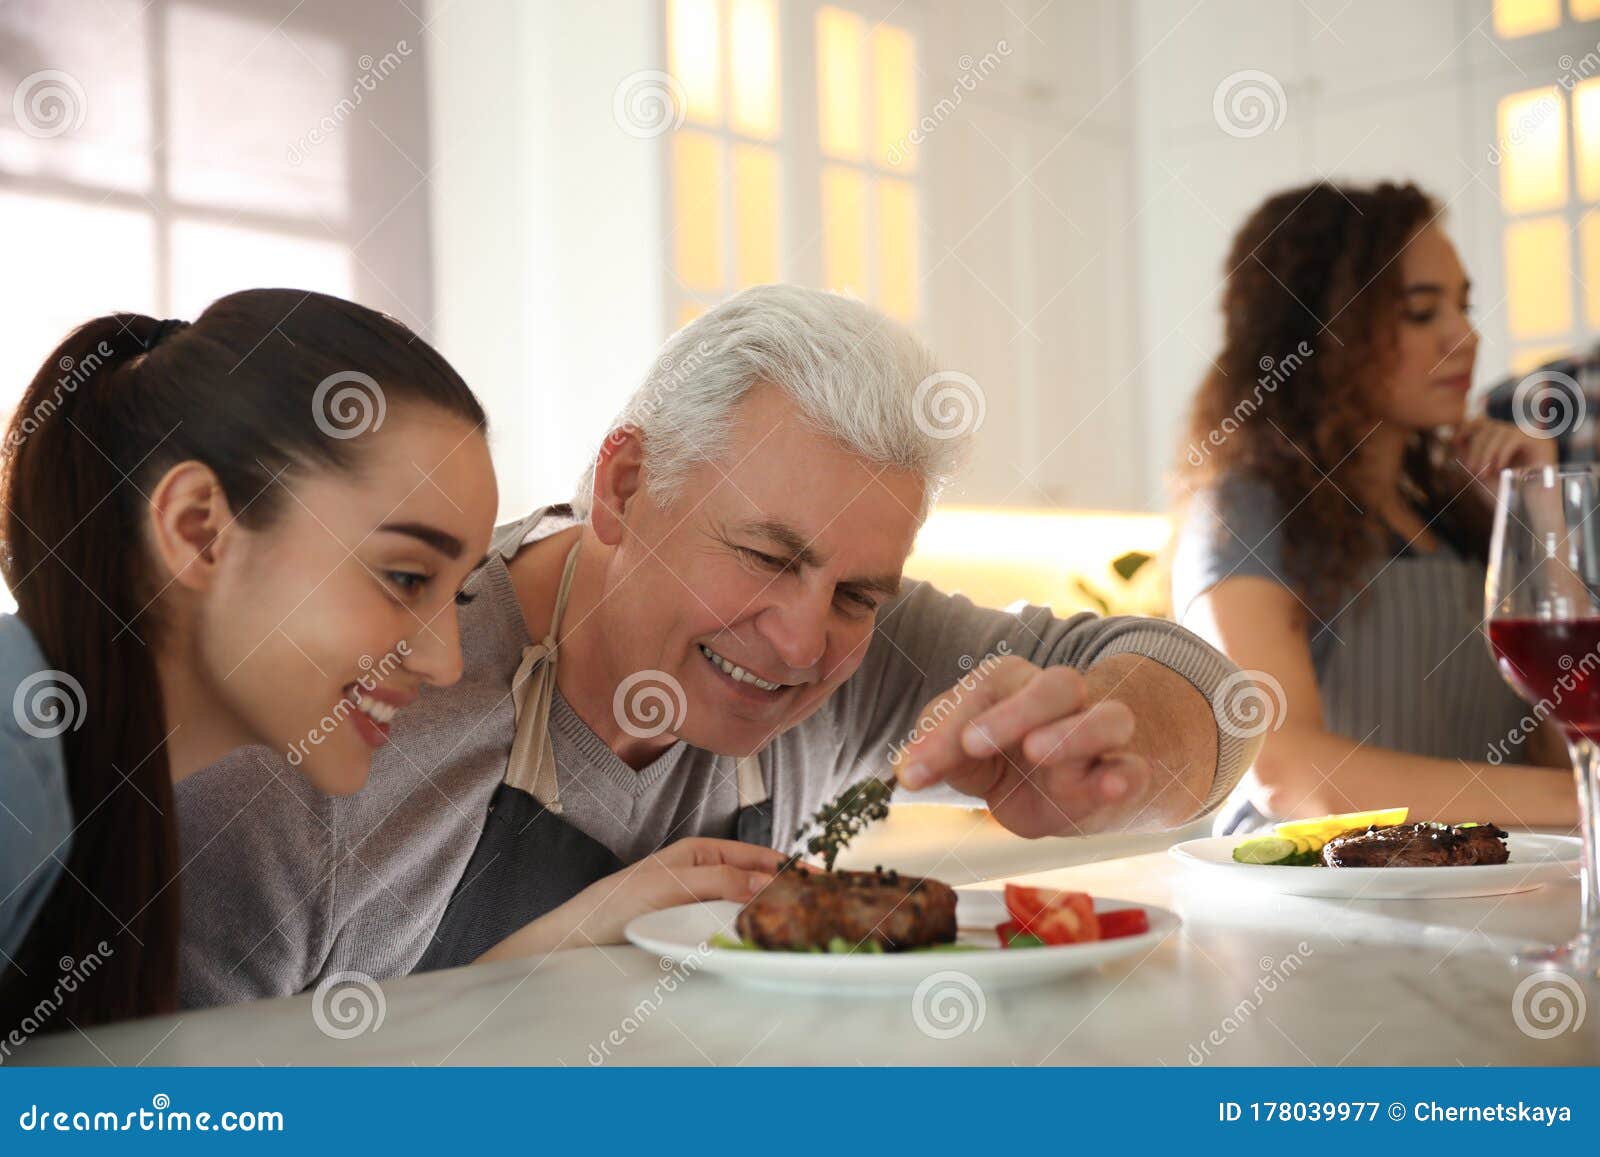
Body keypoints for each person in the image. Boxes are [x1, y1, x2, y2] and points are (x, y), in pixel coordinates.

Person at [179, 284, 1257, 1005]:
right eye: (764, 556)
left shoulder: (859, 652)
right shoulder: (345, 716)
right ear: (623, 484)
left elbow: (1211, 691)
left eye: (857, 592)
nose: (801, 639)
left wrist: (1118, 750)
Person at [0, 289, 778, 1033]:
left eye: (459, 594)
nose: (443, 661)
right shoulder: (16, 774)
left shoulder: (102, 798)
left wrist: (552, 947)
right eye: (404, 576)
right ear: (200, 527)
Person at [1171, 180, 1577, 834]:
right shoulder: (1244, 511)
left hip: (1478, 893)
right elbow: (1285, 768)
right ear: (1323, 328)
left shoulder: (1465, 514)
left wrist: (1538, 515)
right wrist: (1579, 804)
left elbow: (1567, 744)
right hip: (1315, 911)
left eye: (1462, 306)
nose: (1464, 335)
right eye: (1421, 312)